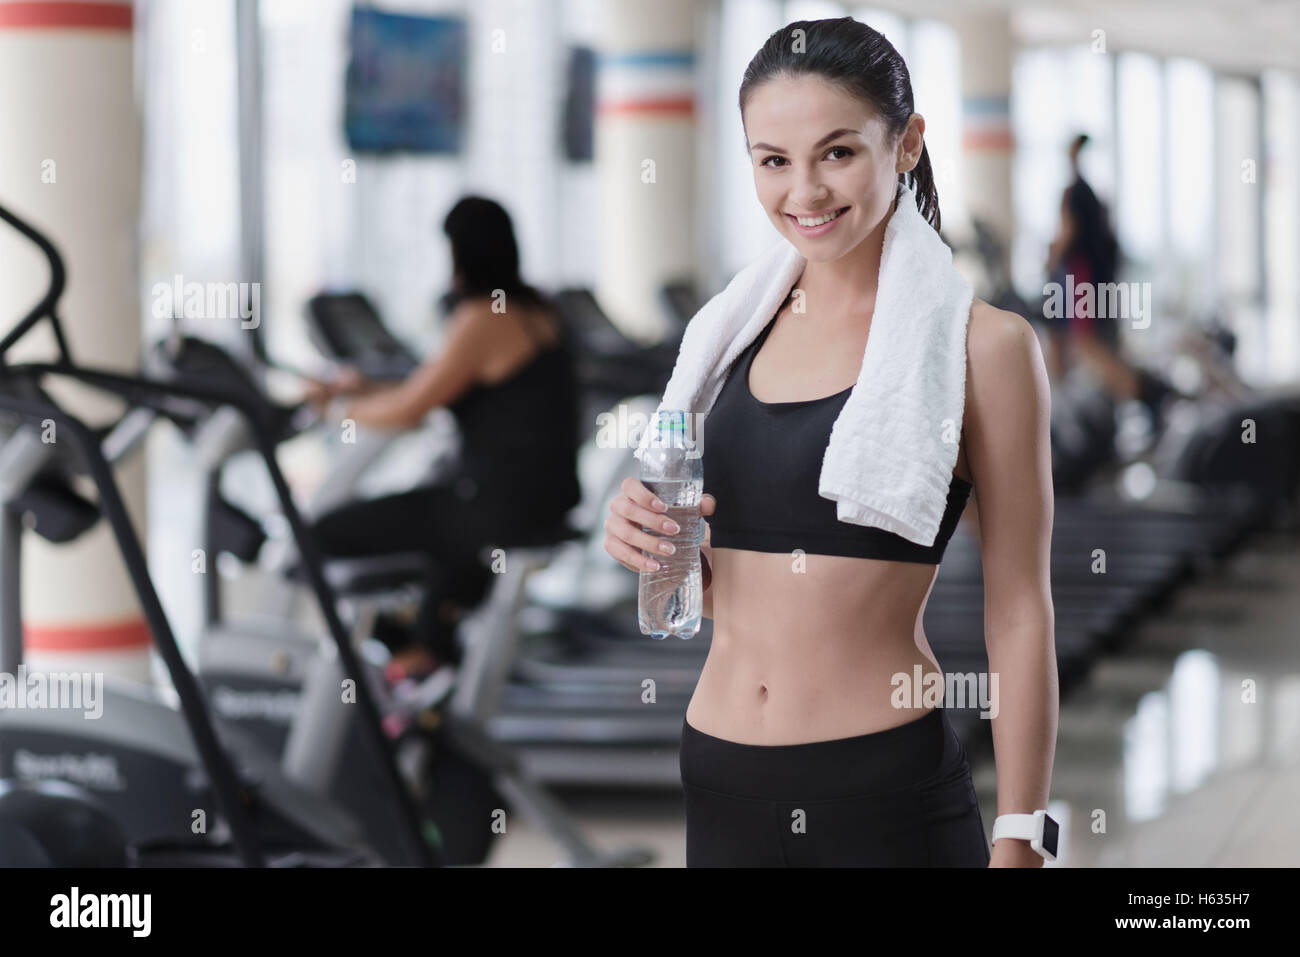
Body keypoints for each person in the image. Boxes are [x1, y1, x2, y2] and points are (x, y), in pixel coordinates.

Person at [604, 18, 1057, 867]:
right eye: (773, 160)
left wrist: (1023, 834)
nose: (803, 191)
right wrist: (644, 538)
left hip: (878, 785)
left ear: (908, 143)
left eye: (838, 152)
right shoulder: (726, 338)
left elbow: (1020, 607)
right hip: (718, 770)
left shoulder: (981, 348)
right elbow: (724, 577)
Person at [307, 196, 582, 679]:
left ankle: (414, 655)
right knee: (428, 520)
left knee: (320, 534)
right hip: (541, 500)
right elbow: (442, 386)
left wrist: (337, 409)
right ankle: (427, 642)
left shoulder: (483, 317)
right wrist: (365, 390)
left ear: (460, 254)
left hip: (492, 509)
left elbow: (411, 407)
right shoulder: (536, 312)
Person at [1044, 133, 1122, 378]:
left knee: (1083, 339)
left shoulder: (1078, 191)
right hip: (1089, 273)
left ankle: (1136, 390)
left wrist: (1051, 260)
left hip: (1081, 273)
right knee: (1066, 336)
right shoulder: (1088, 191)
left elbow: (1068, 230)